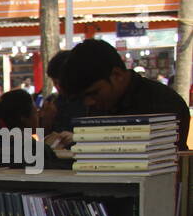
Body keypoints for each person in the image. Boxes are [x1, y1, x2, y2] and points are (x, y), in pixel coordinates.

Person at [61, 37, 190, 150]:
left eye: (94, 93)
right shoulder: (99, 104)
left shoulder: (162, 104)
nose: (89, 102)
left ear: (117, 75)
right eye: (83, 97)